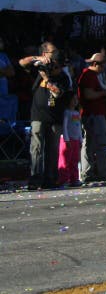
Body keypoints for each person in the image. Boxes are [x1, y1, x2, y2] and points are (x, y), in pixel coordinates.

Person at [20, 43, 70, 190]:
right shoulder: (39, 68)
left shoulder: (62, 77)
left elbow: (58, 93)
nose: (57, 68)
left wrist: (47, 79)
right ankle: (35, 179)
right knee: (36, 148)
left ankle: (50, 179)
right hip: (38, 115)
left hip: (55, 118)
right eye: (52, 53)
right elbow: (21, 63)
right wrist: (38, 58)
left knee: (52, 150)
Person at [78, 52, 106, 183]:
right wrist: (105, 93)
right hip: (93, 114)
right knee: (100, 144)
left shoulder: (90, 75)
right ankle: (100, 172)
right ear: (95, 64)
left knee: (89, 144)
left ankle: (88, 172)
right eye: (103, 66)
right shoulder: (89, 75)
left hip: (93, 114)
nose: (104, 69)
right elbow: (88, 94)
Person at [57, 91, 82, 187]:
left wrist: (80, 139)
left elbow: (78, 126)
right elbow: (64, 127)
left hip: (75, 140)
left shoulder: (76, 113)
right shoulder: (66, 113)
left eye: (76, 99)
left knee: (75, 160)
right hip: (67, 140)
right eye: (73, 99)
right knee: (65, 160)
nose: (75, 101)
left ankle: (74, 178)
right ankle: (63, 179)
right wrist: (66, 139)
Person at [0, 36, 19, 125]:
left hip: (4, 94)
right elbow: (7, 71)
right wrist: (5, 70)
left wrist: (2, 71)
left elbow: (11, 72)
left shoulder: (3, 56)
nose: (2, 43)